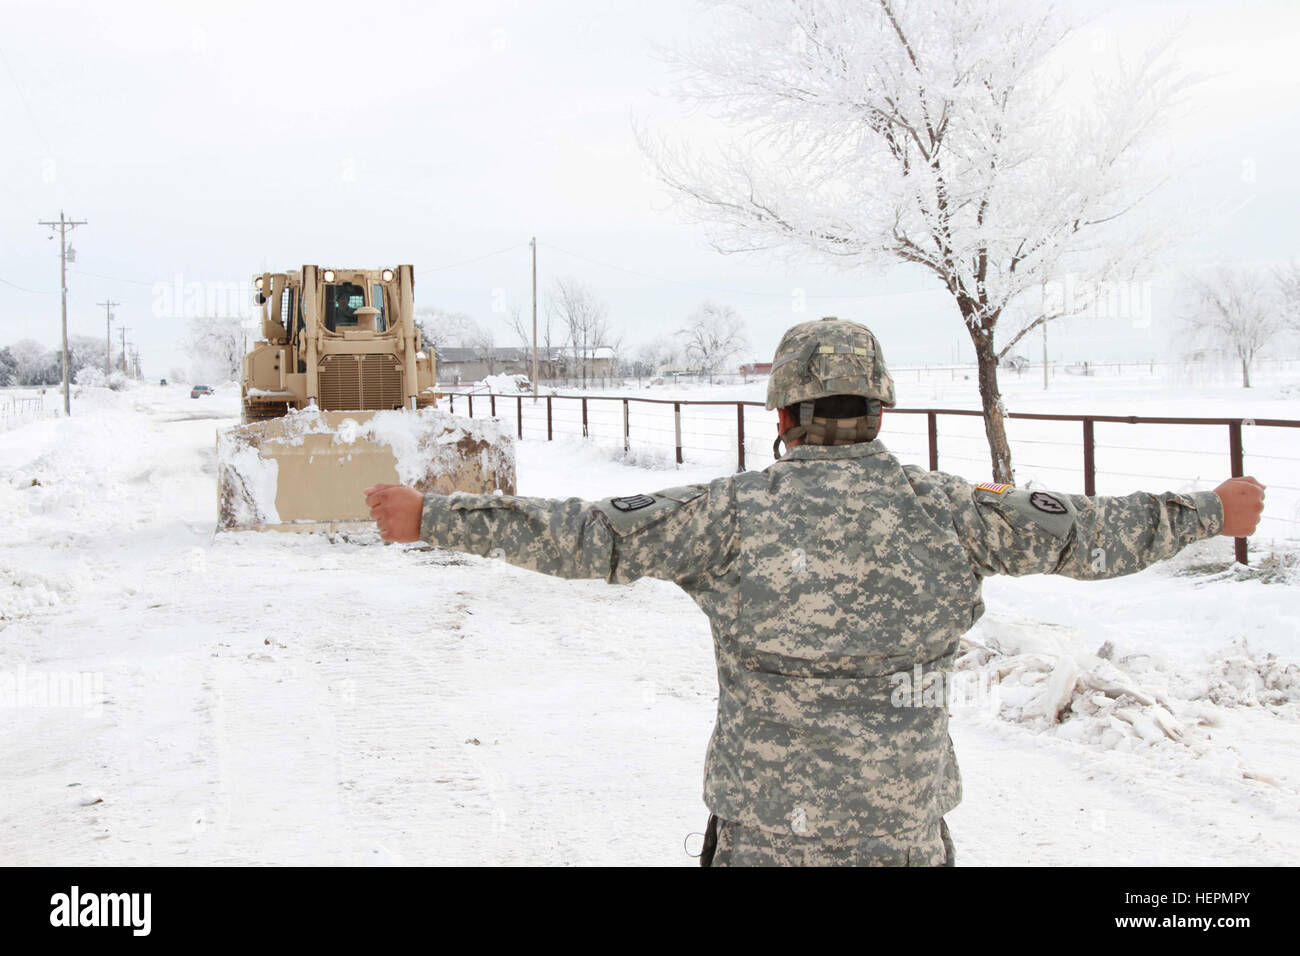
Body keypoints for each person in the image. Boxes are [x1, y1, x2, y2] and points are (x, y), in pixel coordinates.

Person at [363, 316, 1265, 867]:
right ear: (881, 408)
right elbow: (1090, 533)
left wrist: (433, 516)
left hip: (765, 839)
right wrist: (1208, 509)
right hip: (903, 836)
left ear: (783, 415)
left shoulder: (726, 513)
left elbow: (590, 534)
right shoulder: (955, 513)